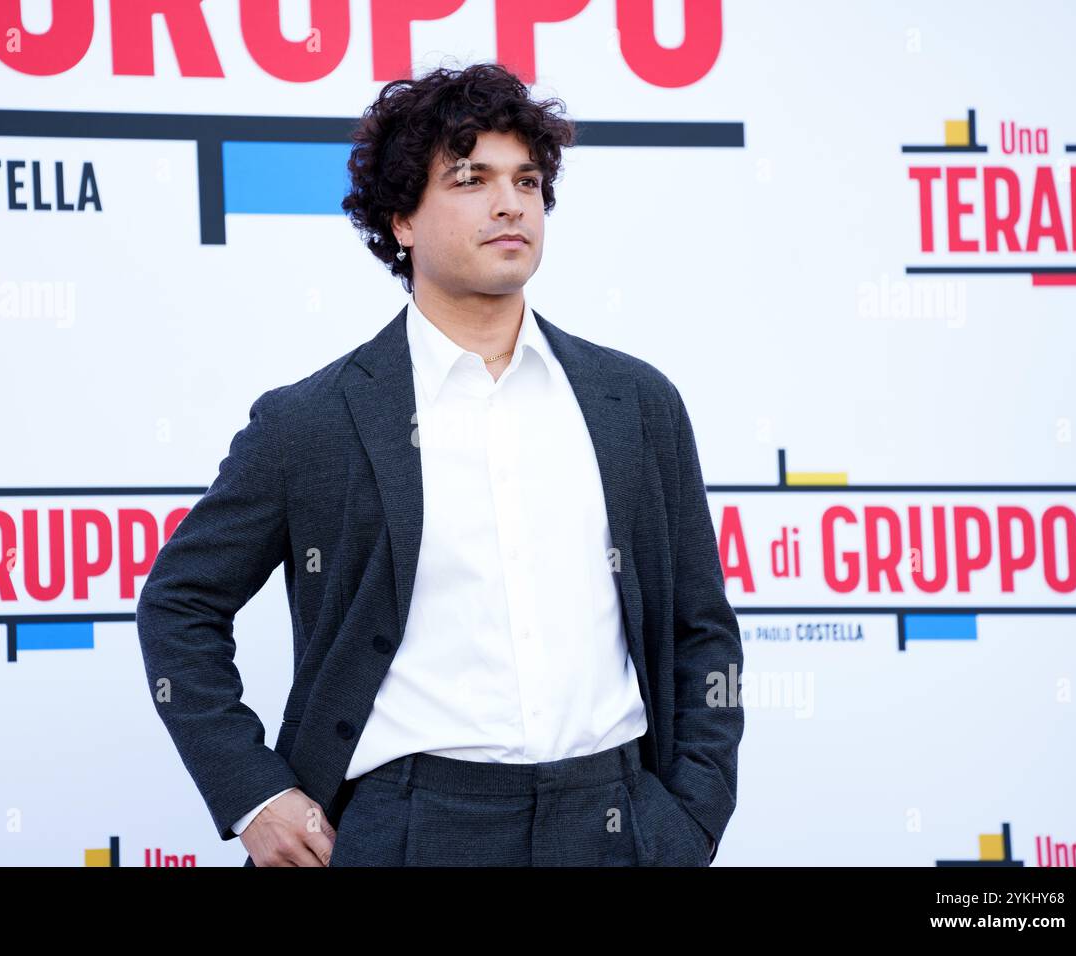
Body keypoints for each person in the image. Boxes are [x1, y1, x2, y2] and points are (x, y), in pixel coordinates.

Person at [135, 61, 743, 867]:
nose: (508, 203)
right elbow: (178, 606)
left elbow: (700, 627)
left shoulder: (635, 402)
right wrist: (254, 792)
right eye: (470, 179)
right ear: (402, 220)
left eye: (526, 180)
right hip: (409, 826)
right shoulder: (312, 421)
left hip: (615, 820)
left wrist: (691, 816)